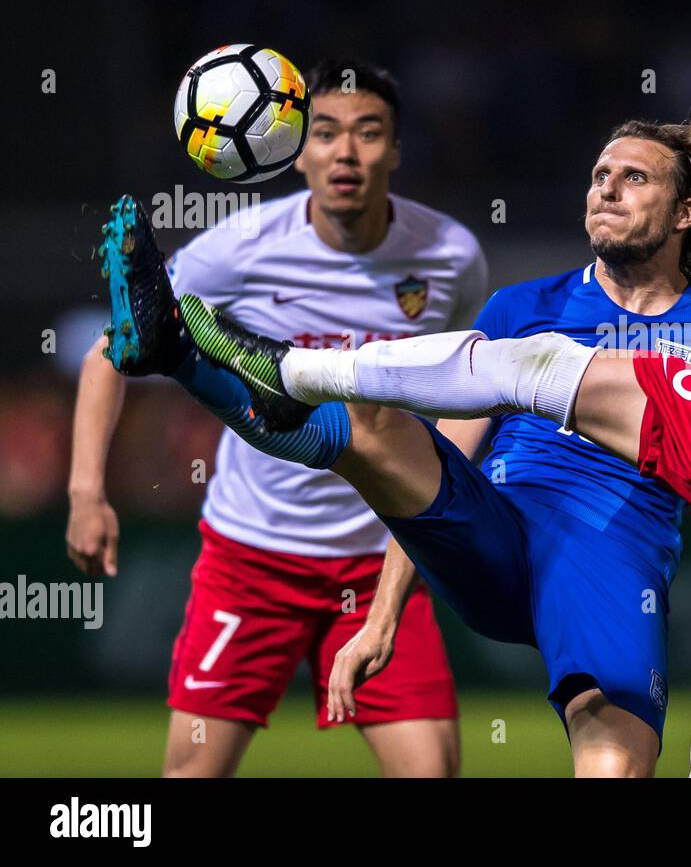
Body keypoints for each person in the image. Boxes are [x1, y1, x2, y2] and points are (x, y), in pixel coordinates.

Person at [98, 112, 691, 777]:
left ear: (685, 213)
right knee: (376, 420)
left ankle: (204, 358)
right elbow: (450, 452)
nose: (608, 190)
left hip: (607, 550)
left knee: (615, 767)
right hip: (492, 529)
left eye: (635, 178)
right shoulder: (522, 308)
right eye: (600, 176)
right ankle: (182, 354)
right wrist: (379, 621)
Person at [71, 58, 481, 777]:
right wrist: (84, 491)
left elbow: (470, 389)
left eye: (368, 132)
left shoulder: (449, 257)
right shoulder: (239, 250)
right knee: (192, 772)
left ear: (396, 149)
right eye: (324, 133)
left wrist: (438, 507)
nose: (345, 152)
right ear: (295, 149)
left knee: (432, 772)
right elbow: (112, 352)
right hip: (251, 556)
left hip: (379, 554)